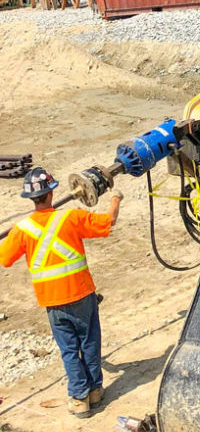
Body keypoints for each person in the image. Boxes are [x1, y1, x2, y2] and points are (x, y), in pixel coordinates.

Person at [0, 167, 123, 416]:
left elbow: (5, 259)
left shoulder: (22, 229)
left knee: (69, 349)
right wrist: (116, 198)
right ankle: (95, 391)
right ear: (51, 193)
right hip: (81, 295)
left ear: (30, 198)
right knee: (89, 342)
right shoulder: (70, 218)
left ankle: (79, 399)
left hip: (53, 301)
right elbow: (107, 222)